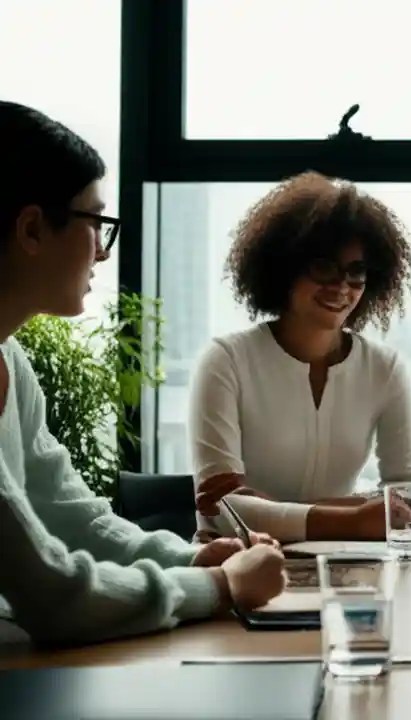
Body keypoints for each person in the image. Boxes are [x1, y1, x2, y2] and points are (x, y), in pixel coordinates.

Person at [0, 101, 285, 646]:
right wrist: (220, 585)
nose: (104, 255)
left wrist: (192, 555)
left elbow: (72, 514)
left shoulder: (10, 359)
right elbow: (56, 594)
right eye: (96, 224)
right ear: (33, 229)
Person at [190, 171, 411, 543]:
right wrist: (353, 514)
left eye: (356, 272)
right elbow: (221, 510)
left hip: (350, 571)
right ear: (284, 268)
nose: (341, 287)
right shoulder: (226, 361)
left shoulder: (387, 370)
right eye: (323, 268)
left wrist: (278, 509)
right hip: (235, 569)